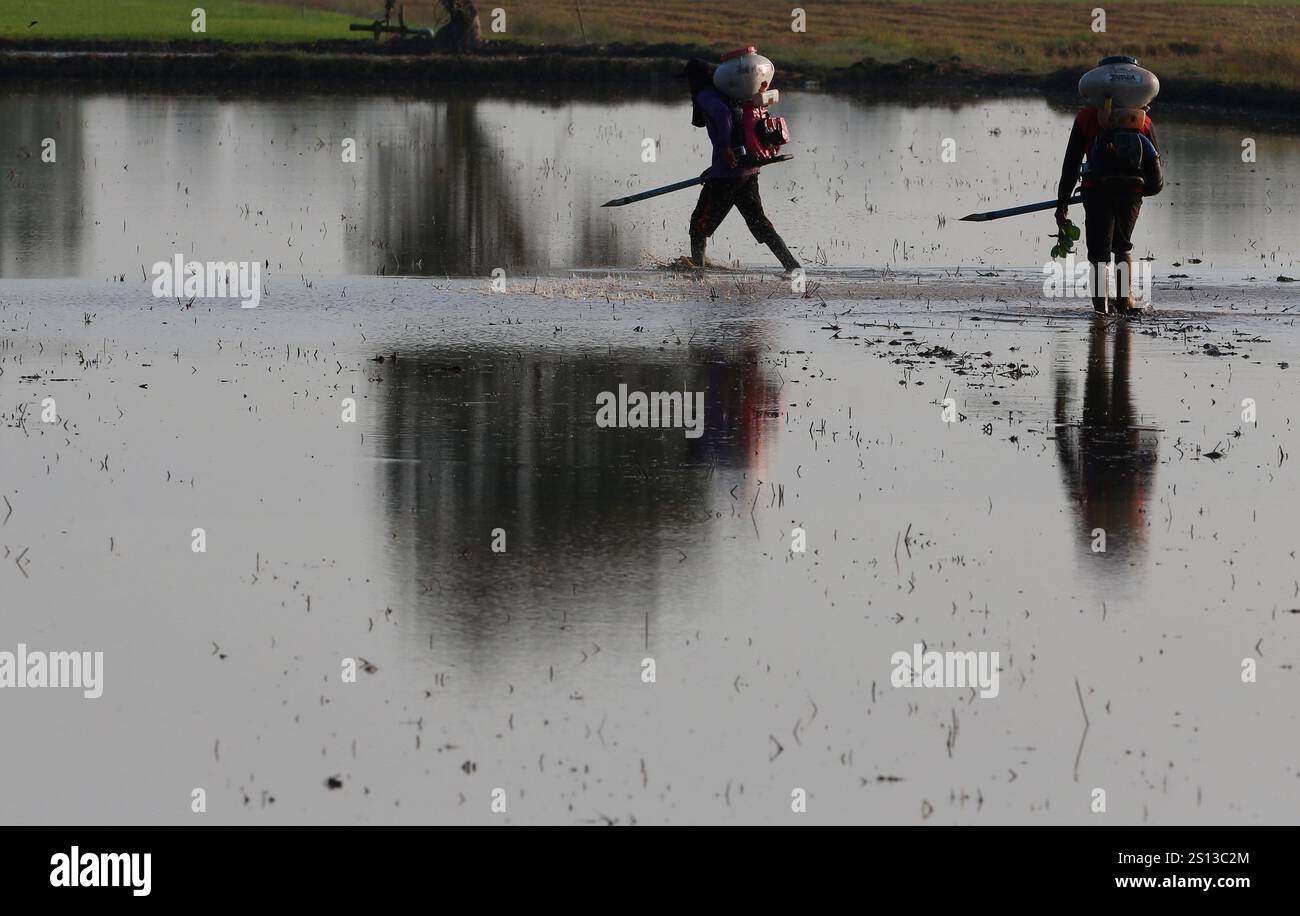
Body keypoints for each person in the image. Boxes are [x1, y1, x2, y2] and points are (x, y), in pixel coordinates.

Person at [1055, 56, 1164, 315]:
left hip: (1097, 191)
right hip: (1131, 192)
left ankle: (1101, 313)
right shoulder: (1142, 122)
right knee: (1123, 247)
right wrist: (1140, 191)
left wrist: (1062, 203)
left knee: (1098, 255)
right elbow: (1156, 168)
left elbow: (1071, 164)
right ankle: (1125, 305)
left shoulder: (1086, 118)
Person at [680, 53, 800, 274]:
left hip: (727, 176)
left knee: (698, 226)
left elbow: (723, 116)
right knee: (761, 226)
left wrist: (725, 149)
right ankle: (793, 268)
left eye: (687, 80)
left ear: (694, 80)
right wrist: (715, 167)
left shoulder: (706, 96)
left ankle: (697, 271)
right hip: (747, 171)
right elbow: (735, 126)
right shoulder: (728, 94)